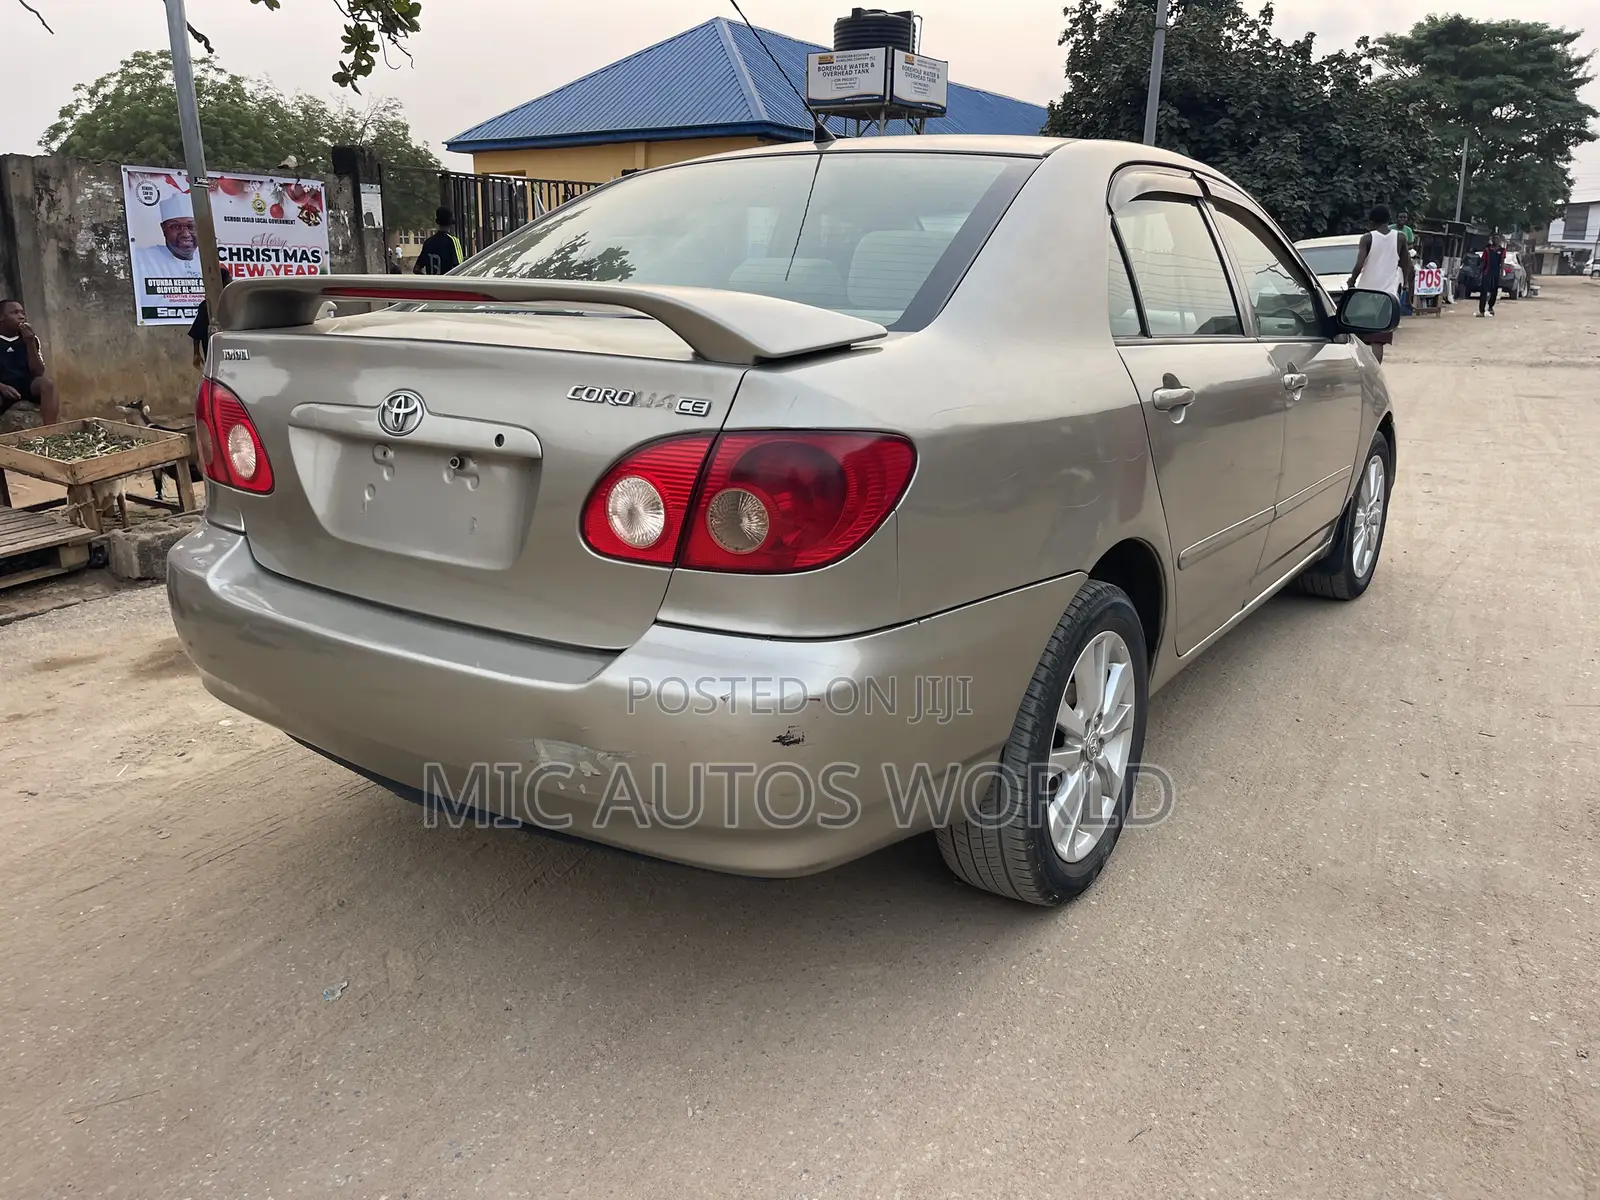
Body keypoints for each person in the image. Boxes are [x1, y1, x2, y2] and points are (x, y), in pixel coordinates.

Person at [1346, 204, 1413, 363]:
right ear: (1389, 220)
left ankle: (1362, 369)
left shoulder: (1367, 238)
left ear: (1371, 221)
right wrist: (1406, 284)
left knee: (1359, 336)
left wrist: (1352, 281)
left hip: (1365, 294)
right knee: (1378, 339)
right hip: (1386, 295)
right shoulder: (1400, 237)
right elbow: (1406, 263)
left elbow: (1359, 264)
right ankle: (1376, 371)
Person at [0, 300, 61, 426]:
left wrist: (30, 343)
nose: (21, 316)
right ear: (1, 317)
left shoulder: (31, 338)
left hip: (26, 385)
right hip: (3, 388)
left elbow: (38, 372)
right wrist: (2, 387)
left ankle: (51, 431)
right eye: (15, 312)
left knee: (46, 384)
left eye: (22, 313)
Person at [134, 191, 203, 281]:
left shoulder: (207, 262)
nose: (186, 234)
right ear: (163, 228)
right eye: (176, 227)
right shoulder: (142, 258)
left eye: (192, 227)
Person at [187, 267, 232, 370]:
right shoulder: (207, 306)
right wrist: (196, 353)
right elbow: (197, 331)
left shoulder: (233, 303)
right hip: (215, 358)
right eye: (229, 281)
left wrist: (196, 352)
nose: (231, 283)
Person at [413, 207, 466, 275]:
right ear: (450, 223)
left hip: (432, 284)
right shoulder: (454, 241)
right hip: (448, 284)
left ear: (437, 222)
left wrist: (428, 279)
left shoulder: (428, 242)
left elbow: (416, 269)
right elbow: (460, 268)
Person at [1477, 237, 1507, 317]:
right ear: (1492, 240)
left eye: (1497, 238)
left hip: (1496, 273)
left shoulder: (1502, 250)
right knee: (1484, 292)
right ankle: (1482, 311)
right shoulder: (1487, 249)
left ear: (1499, 240)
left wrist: (1501, 274)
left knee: (1494, 291)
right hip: (1487, 272)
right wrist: (1480, 274)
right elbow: (1483, 262)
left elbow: (1502, 263)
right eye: (1495, 238)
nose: (1496, 240)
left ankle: (1490, 307)